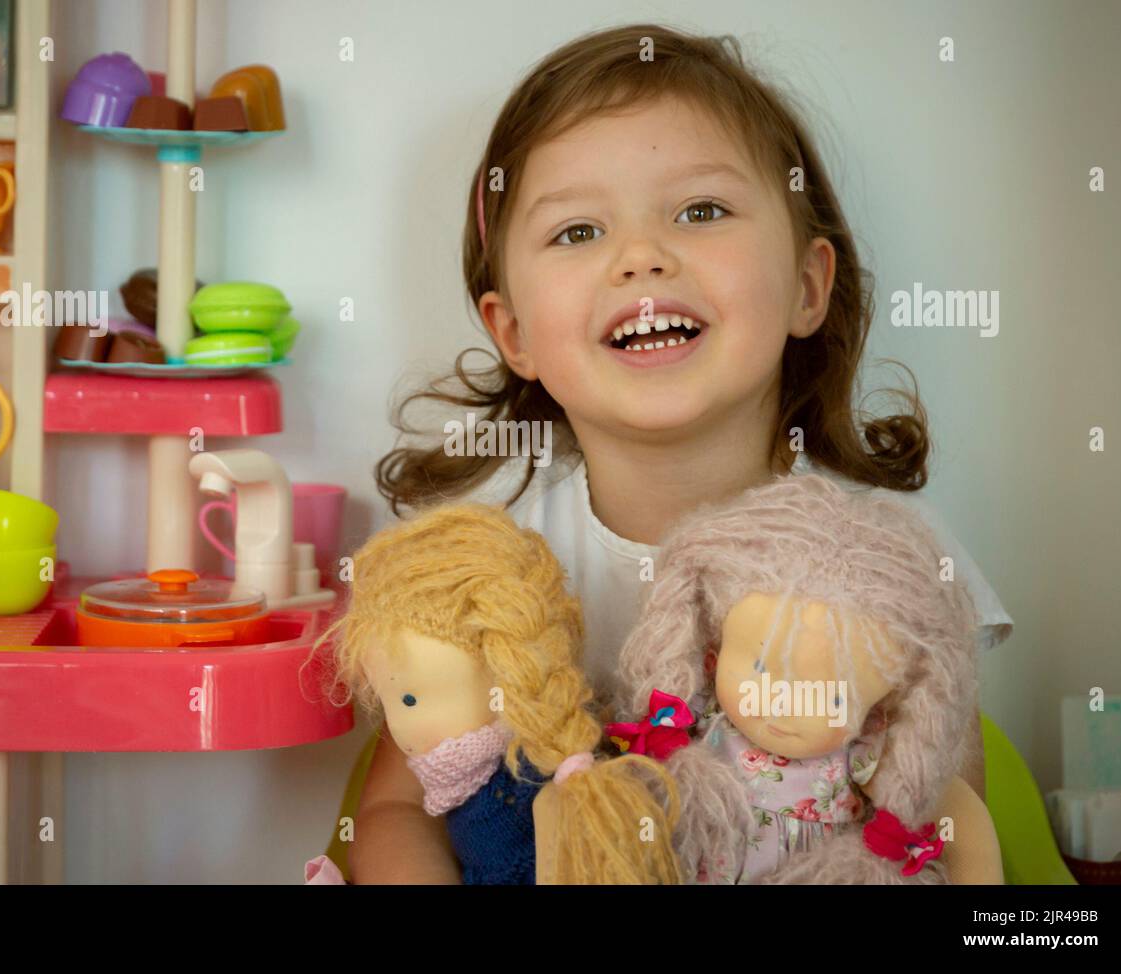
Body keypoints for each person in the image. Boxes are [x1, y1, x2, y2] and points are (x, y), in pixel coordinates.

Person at [353, 24, 1012, 884]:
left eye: (701, 211)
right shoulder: (488, 577)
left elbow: (940, 812)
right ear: (513, 332)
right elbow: (403, 806)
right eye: (577, 231)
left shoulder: (893, 561)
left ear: (809, 286)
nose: (641, 257)